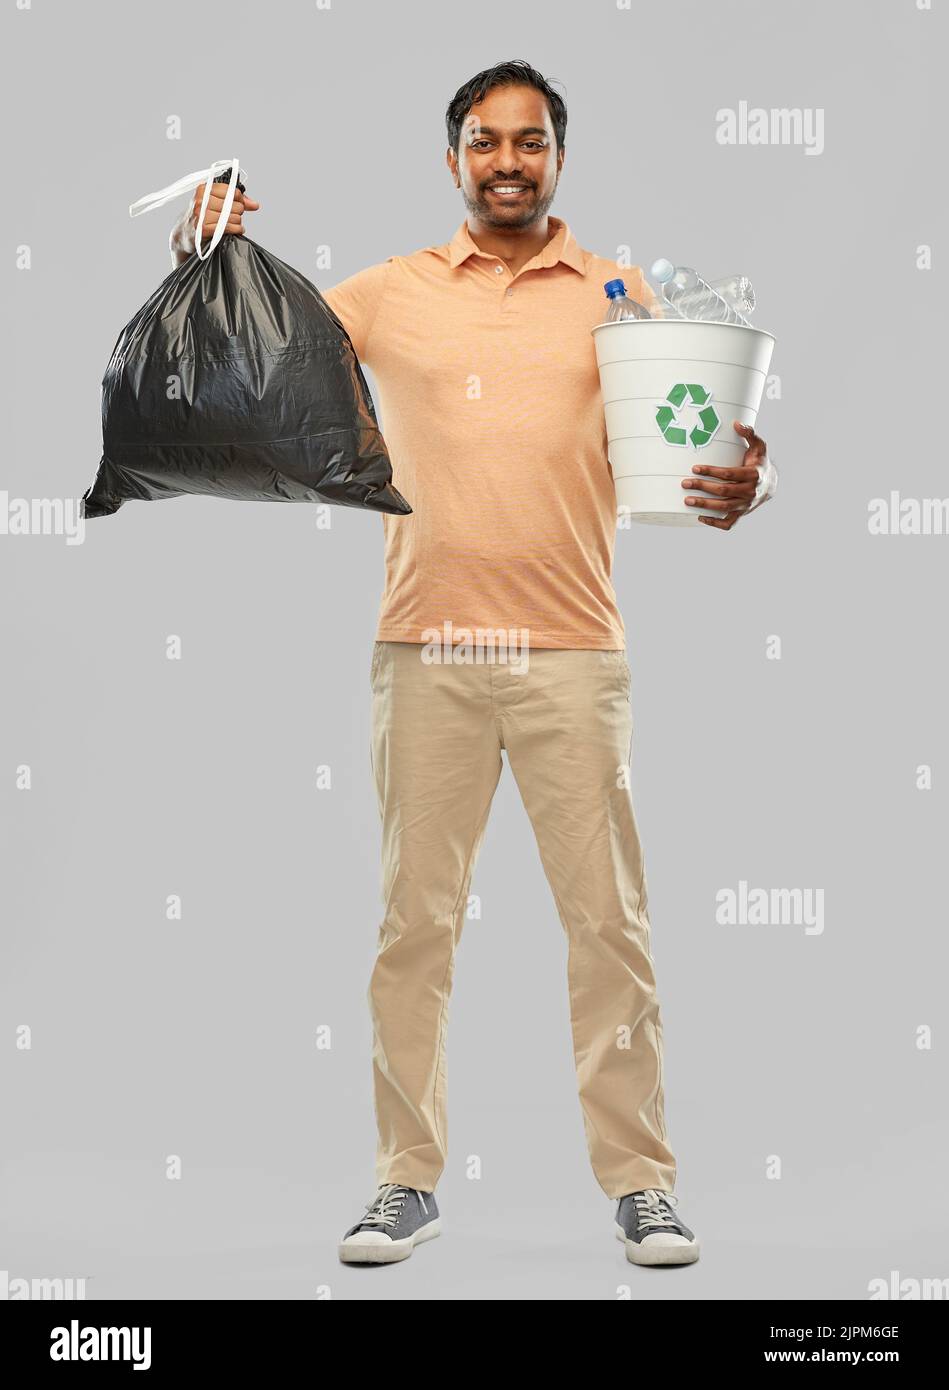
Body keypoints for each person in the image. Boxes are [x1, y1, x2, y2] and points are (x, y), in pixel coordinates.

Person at [170, 59, 776, 1271]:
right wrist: (206, 255)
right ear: (452, 159)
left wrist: (750, 480)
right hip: (425, 652)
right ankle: (405, 1179)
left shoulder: (618, 290)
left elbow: (695, 432)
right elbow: (254, 350)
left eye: (532, 141)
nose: (509, 161)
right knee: (415, 927)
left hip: (574, 655)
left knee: (609, 927)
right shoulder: (392, 294)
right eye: (486, 142)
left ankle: (642, 1183)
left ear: (558, 156)